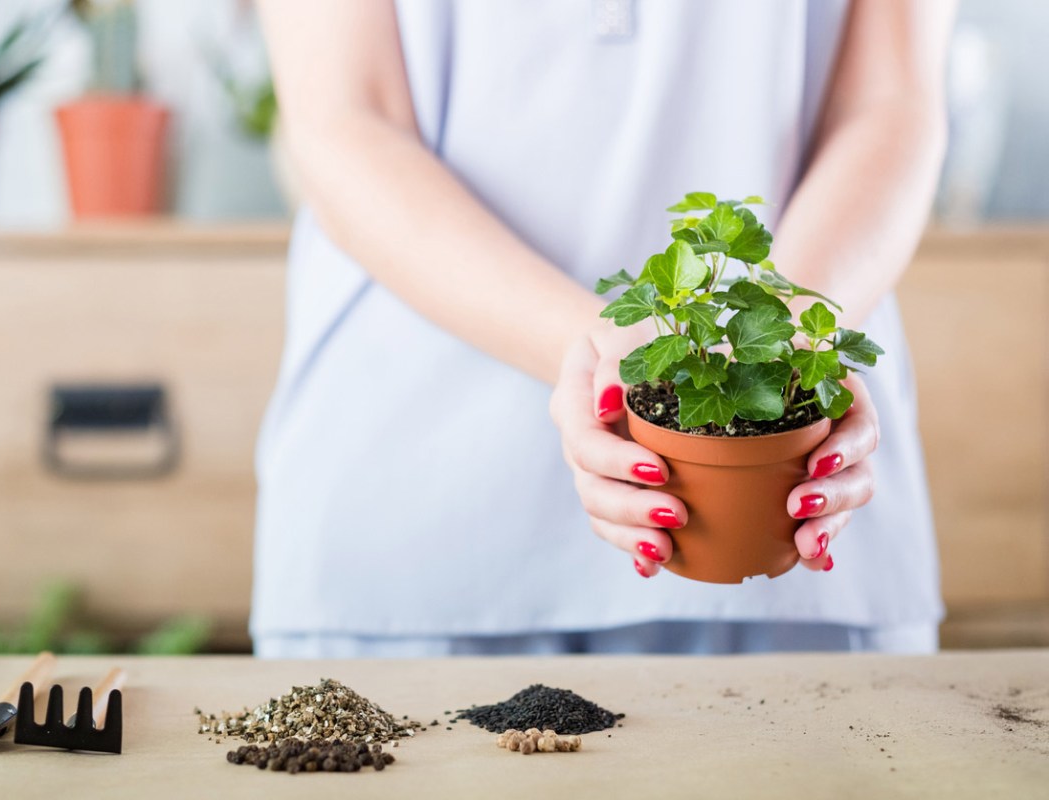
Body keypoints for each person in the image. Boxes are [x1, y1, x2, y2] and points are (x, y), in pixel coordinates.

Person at [249, 0, 953, 657]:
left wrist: (793, 341)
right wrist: (599, 350)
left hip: (787, 533)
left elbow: (890, 101)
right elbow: (344, 117)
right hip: (410, 520)